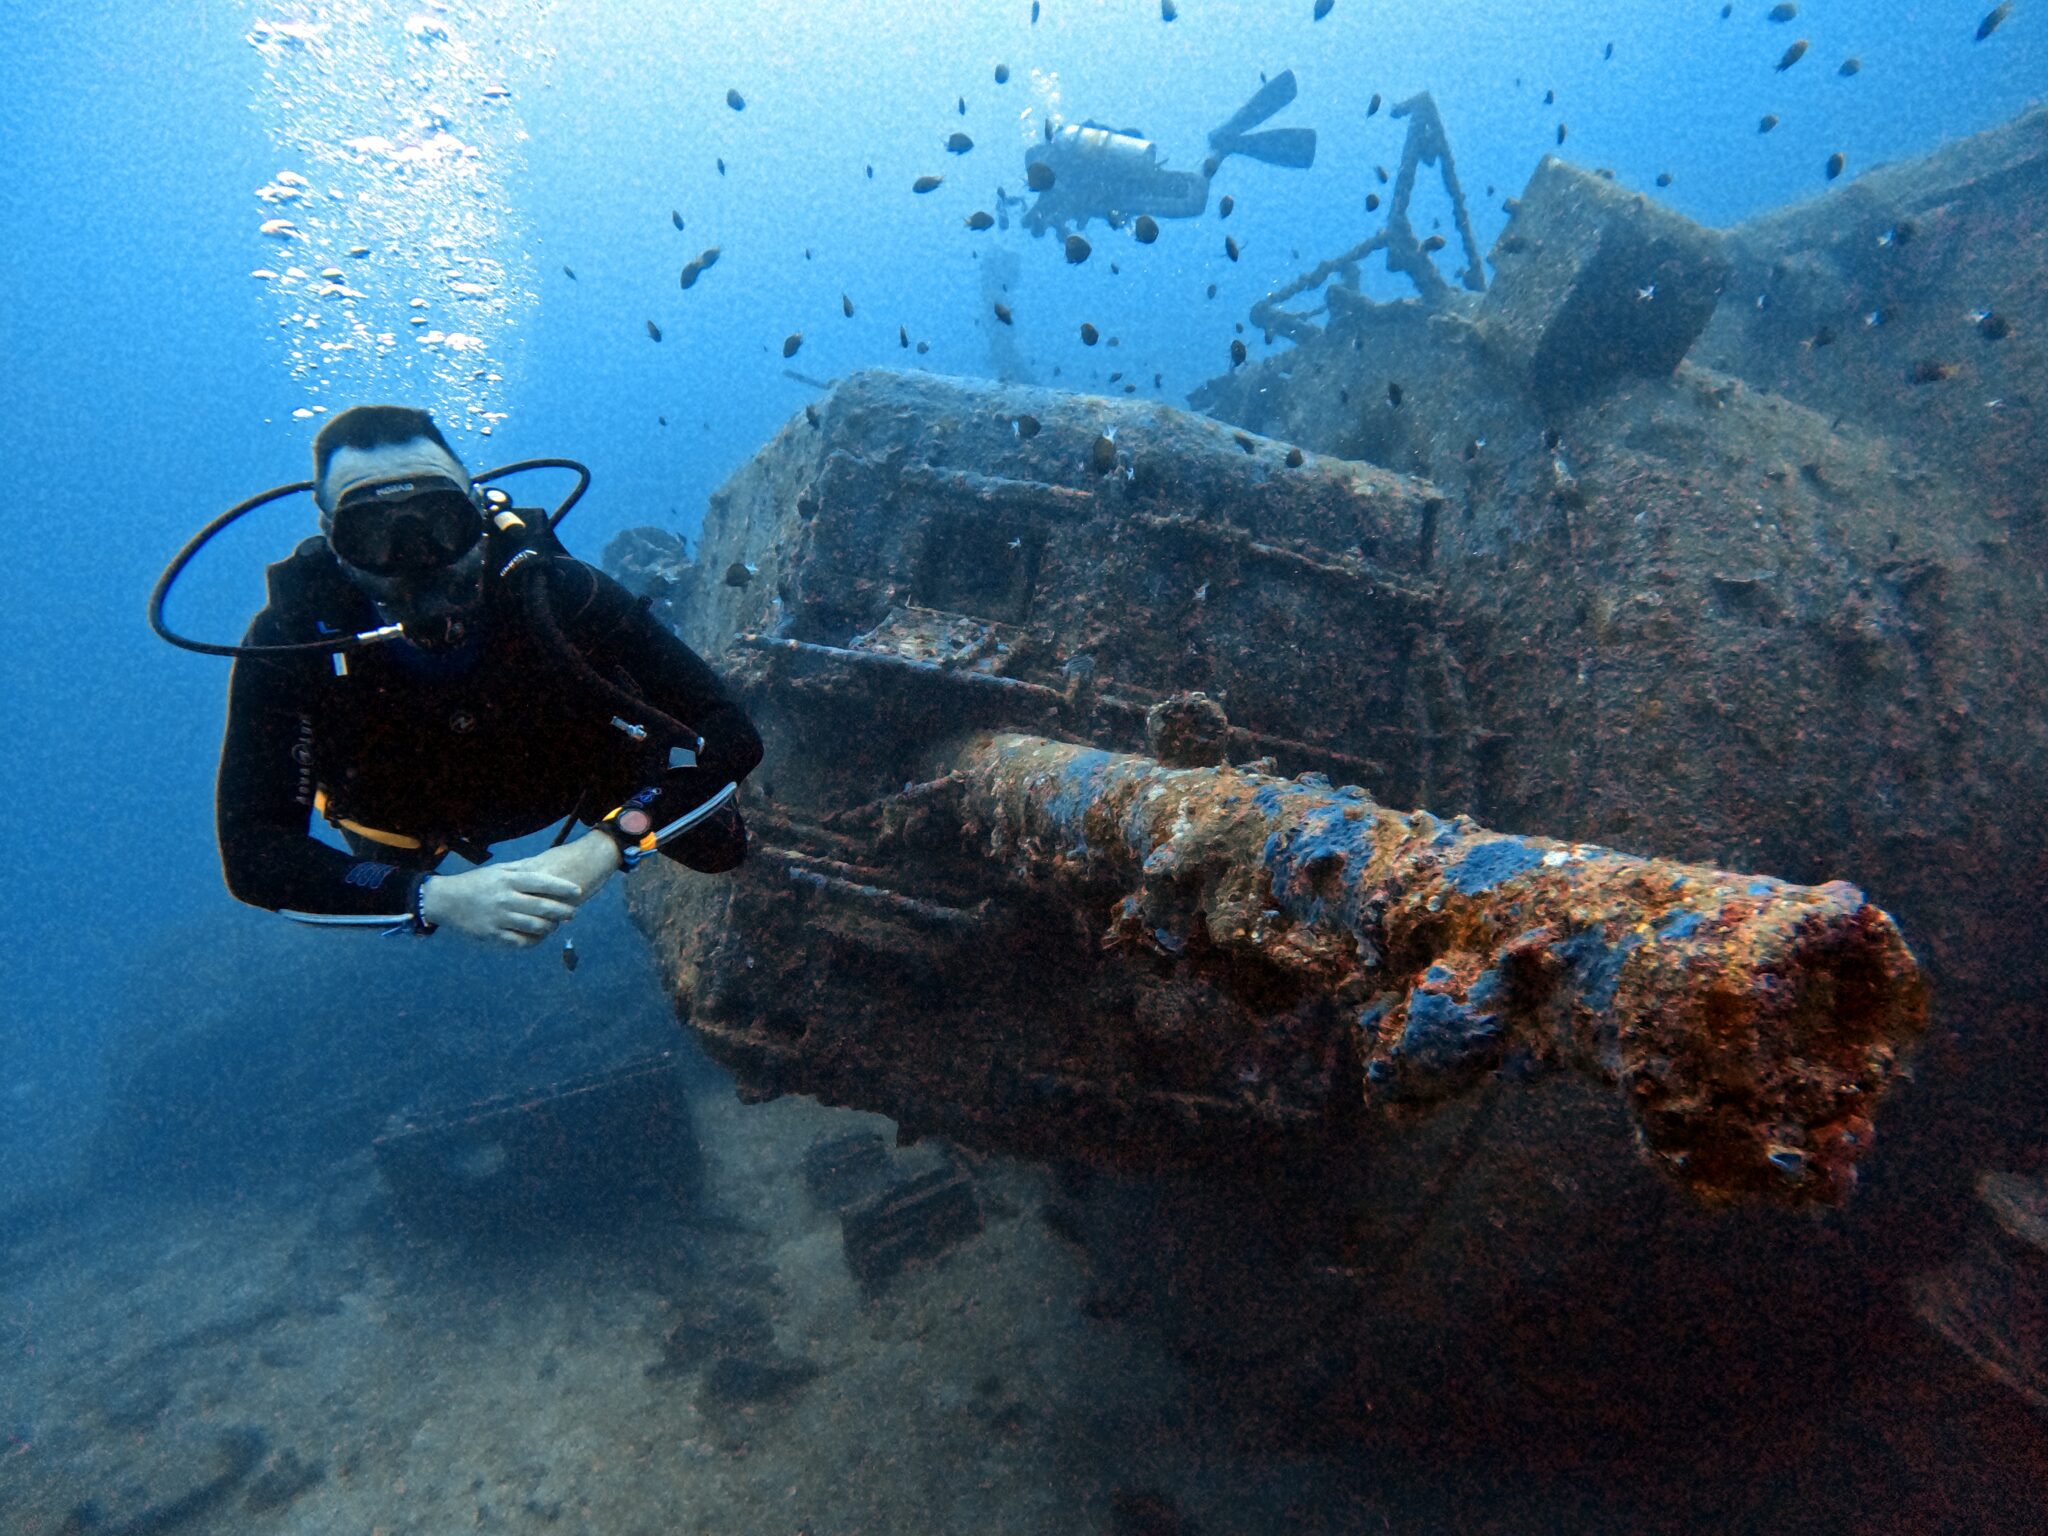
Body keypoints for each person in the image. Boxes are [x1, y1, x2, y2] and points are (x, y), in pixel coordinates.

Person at [215, 404, 761, 946]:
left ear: (476, 514)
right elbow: (253, 851)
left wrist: (612, 842)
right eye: (372, 533)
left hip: (586, 781)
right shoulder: (293, 640)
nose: (415, 557)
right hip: (408, 823)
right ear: (333, 539)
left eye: (441, 523)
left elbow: (729, 731)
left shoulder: (556, 591)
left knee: (721, 851)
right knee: (382, 890)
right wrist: (435, 898)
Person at [1017, 69, 1316, 239]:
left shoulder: (1058, 180)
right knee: (1191, 191)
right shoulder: (1063, 170)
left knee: (1193, 201)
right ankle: (1225, 144)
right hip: (1135, 178)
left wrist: (1046, 221)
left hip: (1131, 190)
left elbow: (1061, 201)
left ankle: (1223, 144)